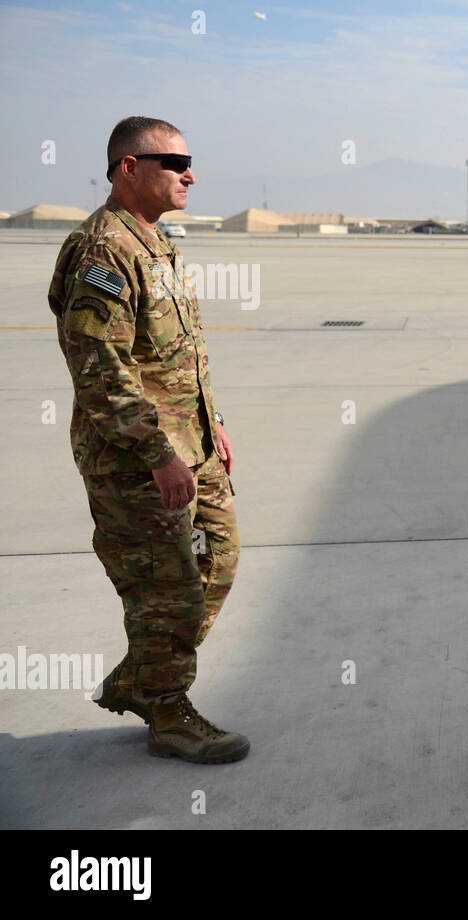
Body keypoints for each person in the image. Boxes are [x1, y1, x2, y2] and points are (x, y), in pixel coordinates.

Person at [49, 116, 247, 763]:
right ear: (128, 168)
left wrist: (211, 422)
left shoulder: (157, 243)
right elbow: (99, 366)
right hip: (135, 460)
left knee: (220, 556)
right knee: (168, 592)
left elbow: (176, 350)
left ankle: (143, 676)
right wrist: (158, 452)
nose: (190, 174)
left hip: (193, 445)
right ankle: (167, 712)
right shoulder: (103, 249)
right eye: (174, 162)